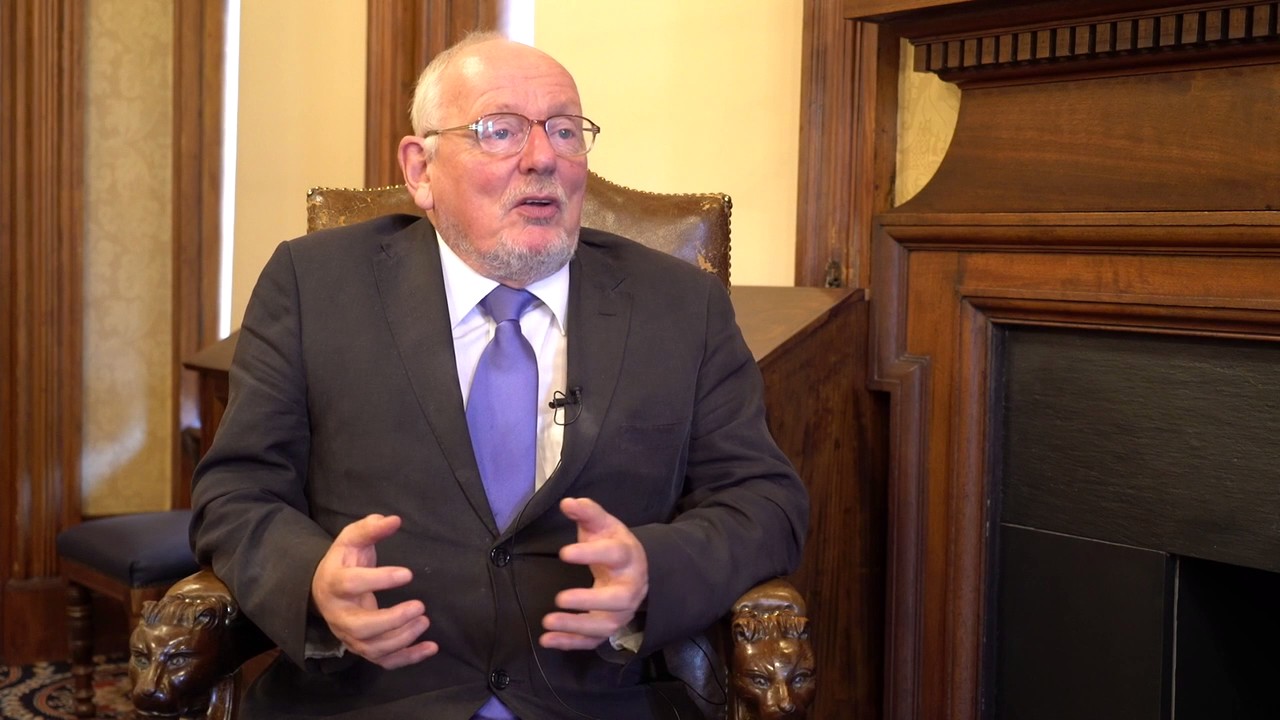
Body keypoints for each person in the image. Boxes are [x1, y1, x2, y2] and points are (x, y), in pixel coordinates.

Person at [190, 31, 808, 720]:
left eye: (566, 131)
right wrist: (310, 582)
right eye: (499, 131)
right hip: (370, 698)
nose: (542, 158)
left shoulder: (680, 307)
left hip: (601, 700)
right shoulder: (314, 285)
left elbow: (765, 502)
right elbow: (236, 490)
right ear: (420, 168)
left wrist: (653, 573)